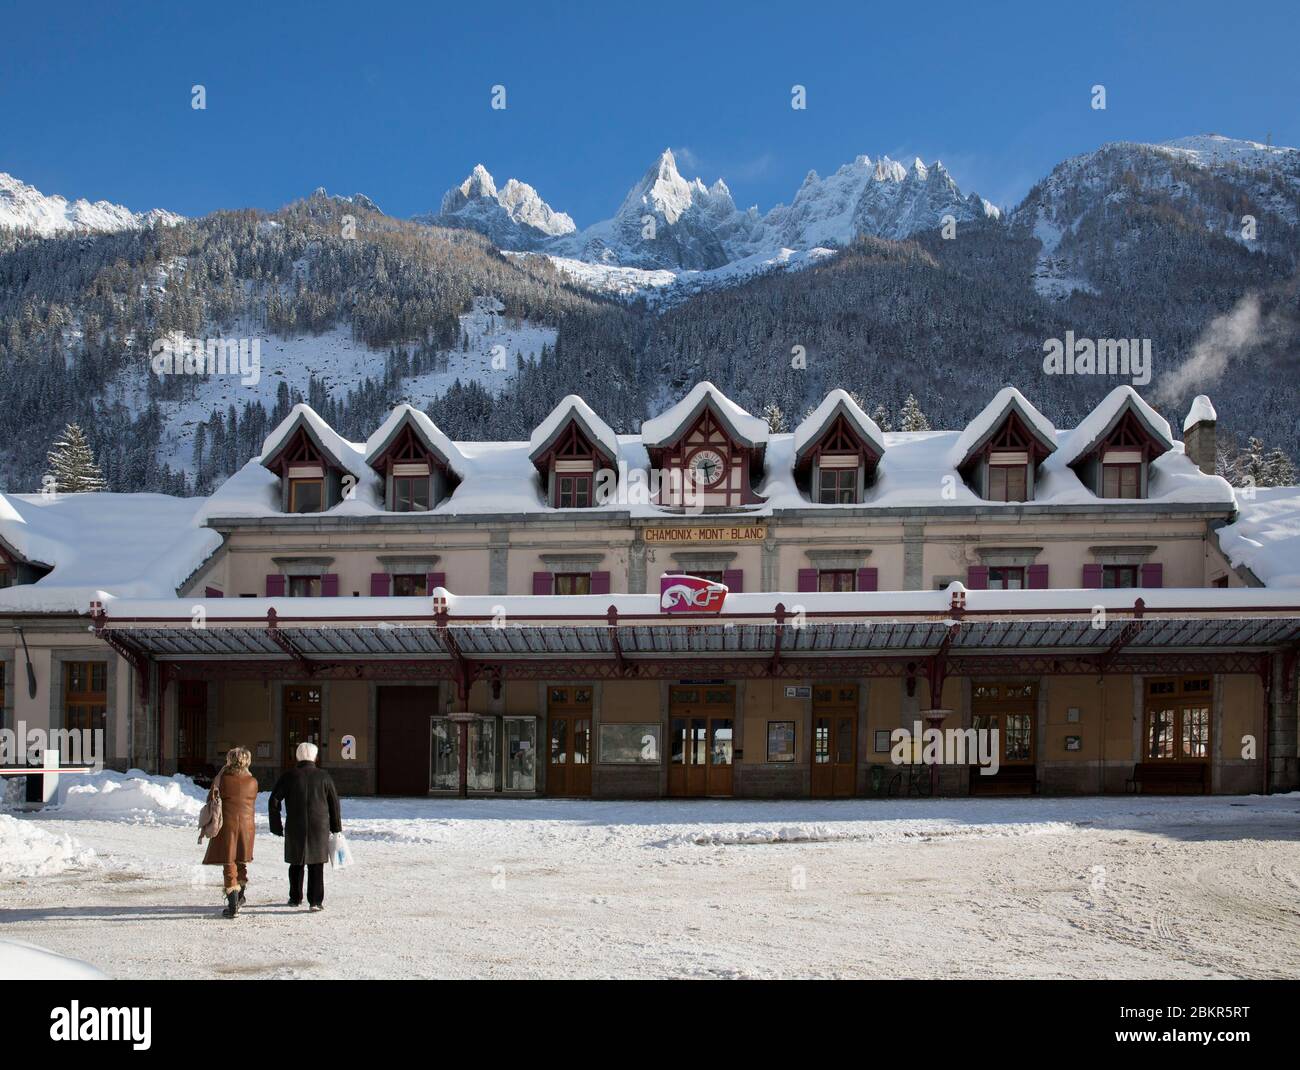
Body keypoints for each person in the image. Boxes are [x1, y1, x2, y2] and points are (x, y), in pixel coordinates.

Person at [268, 741, 342, 911]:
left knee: (296, 862)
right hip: (319, 825)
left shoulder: (289, 776)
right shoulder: (324, 776)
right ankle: (315, 901)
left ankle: (295, 897)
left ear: (298, 756)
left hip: (295, 824)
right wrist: (336, 827)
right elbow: (334, 804)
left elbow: (274, 800)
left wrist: (276, 826)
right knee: (316, 864)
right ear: (315, 756)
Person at [201, 746, 258, 918]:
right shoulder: (252, 781)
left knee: (229, 863)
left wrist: (220, 773)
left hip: (227, 826)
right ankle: (240, 897)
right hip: (247, 828)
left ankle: (232, 904)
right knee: (241, 861)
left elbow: (211, 797)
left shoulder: (223, 779)